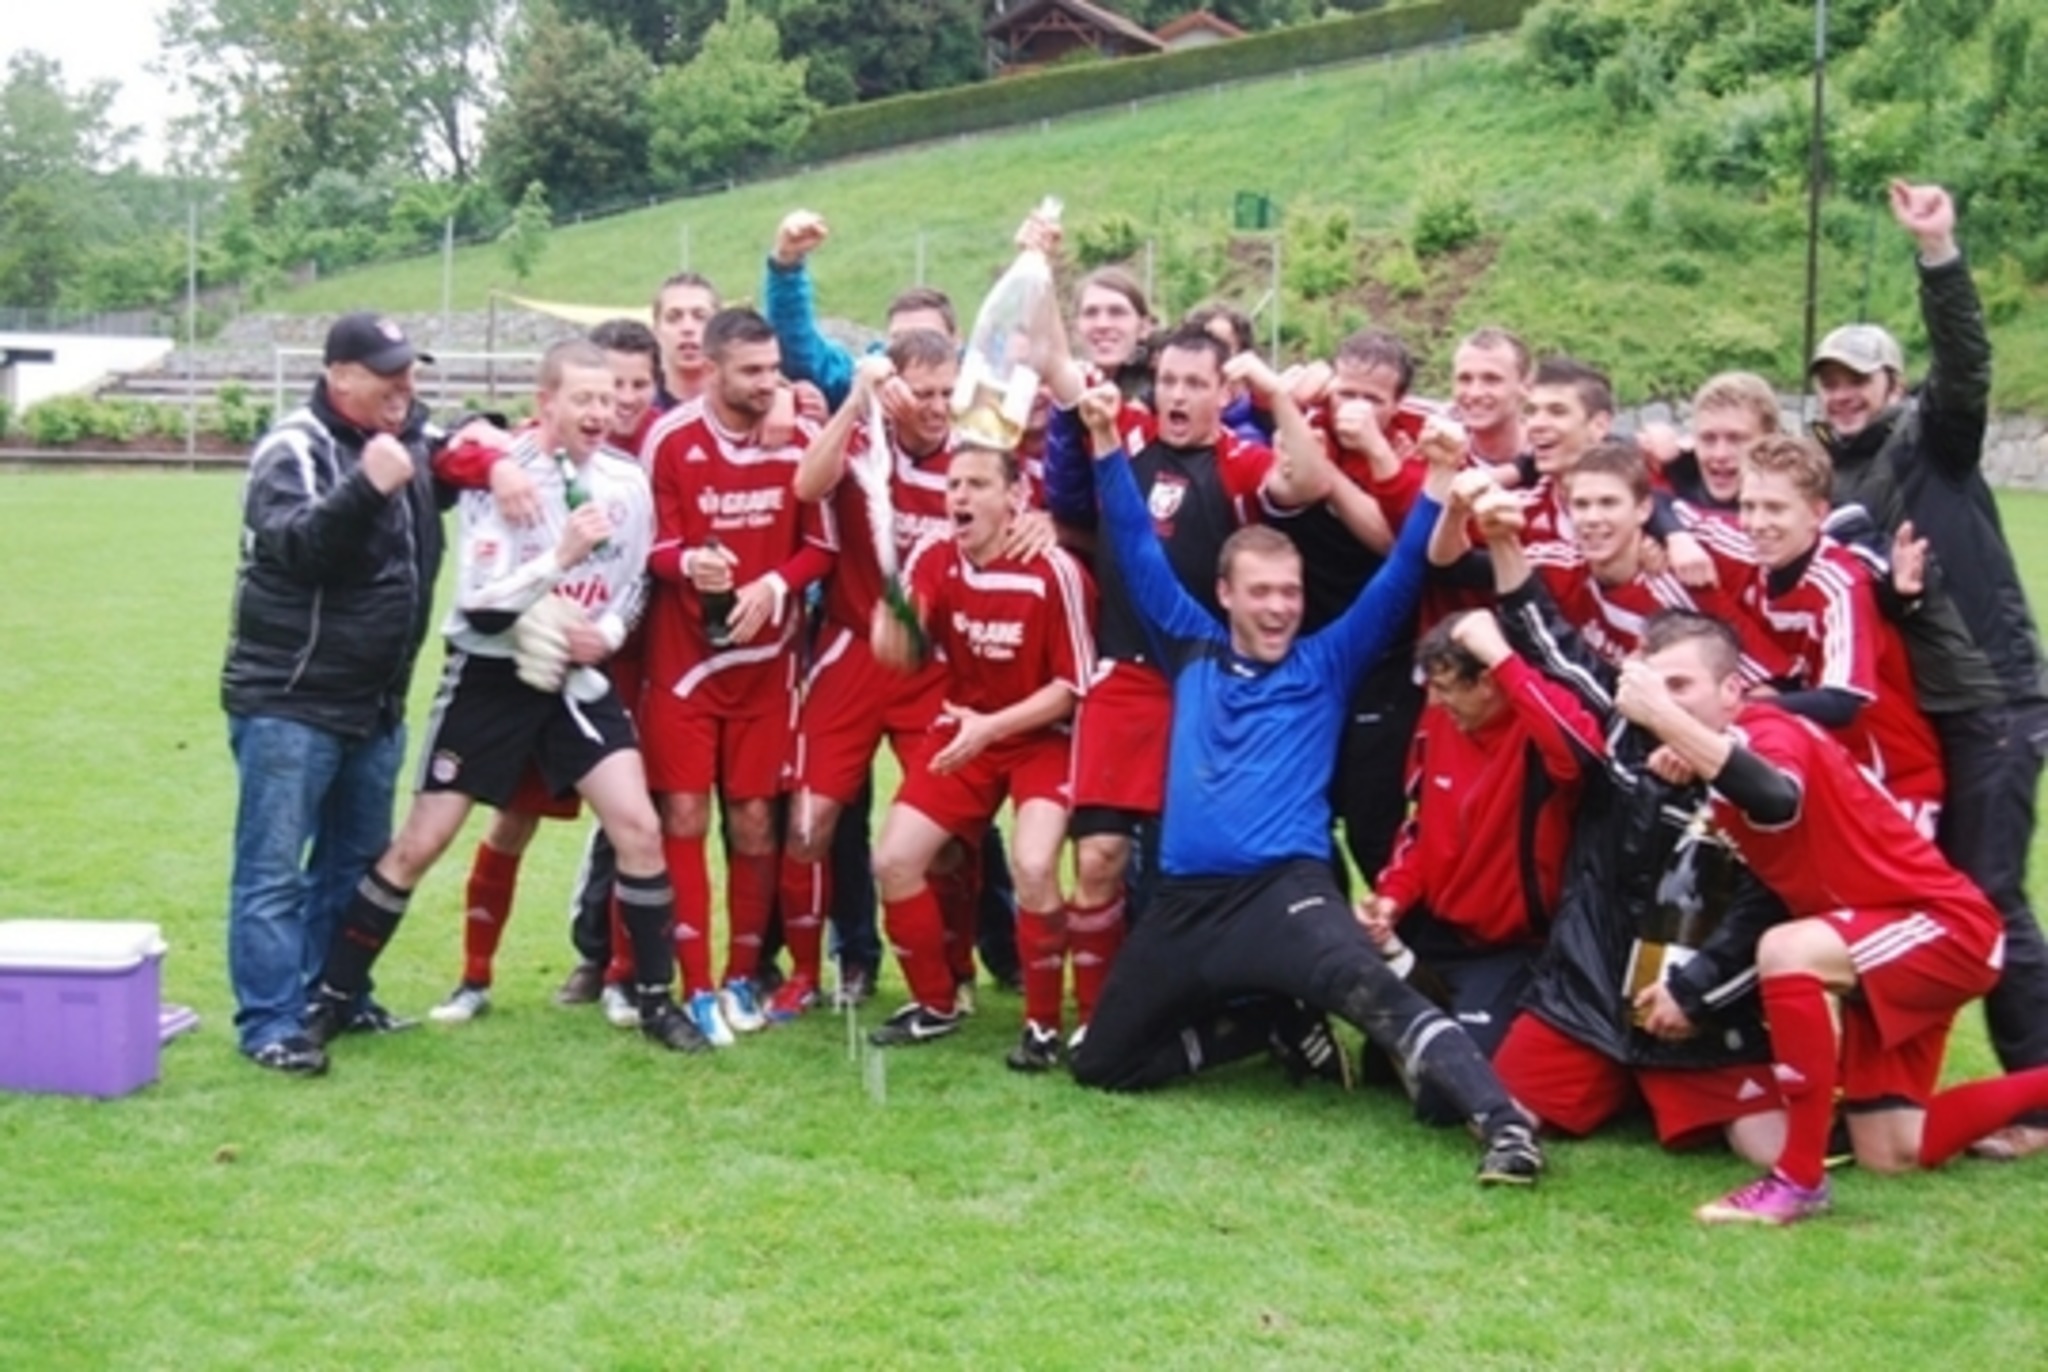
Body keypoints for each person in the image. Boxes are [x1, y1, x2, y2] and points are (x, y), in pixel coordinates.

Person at [1066, 382, 1544, 1185]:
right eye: (1262, 593)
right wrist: (1107, 437)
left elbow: (1396, 578)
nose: (1281, 607)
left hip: (1284, 891)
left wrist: (1433, 484)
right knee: (1103, 1065)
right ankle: (1259, 1033)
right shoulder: (1190, 645)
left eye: (1289, 593)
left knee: (1376, 998)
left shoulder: (1327, 660)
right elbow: (1134, 543)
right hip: (1186, 903)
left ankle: (1503, 1125)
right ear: (1225, 595)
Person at [303, 338, 707, 1055]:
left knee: (639, 829)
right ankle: (332, 997)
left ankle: (655, 1002)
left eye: (609, 398)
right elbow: (481, 606)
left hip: (572, 677)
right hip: (490, 675)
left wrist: (608, 631)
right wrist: (560, 560)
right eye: (582, 397)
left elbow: (640, 579)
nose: (601, 410)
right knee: (421, 843)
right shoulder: (505, 477)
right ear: (545, 404)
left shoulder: (625, 480)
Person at [1613, 611, 2048, 1224]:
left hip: (1946, 928)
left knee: (1789, 951)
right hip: (1874, 942)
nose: (1668, 699)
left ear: (1733, 690)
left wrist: (1663, 717)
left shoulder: (1770, 731)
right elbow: (1768, 891)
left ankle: (1798, 1181)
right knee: (1895, 1151)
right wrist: (1693, 988)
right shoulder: (1724, 765)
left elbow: (1776, 794)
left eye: (1681, 685)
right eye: (1658, 686)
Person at [1810, 180, 2048, 1160]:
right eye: (1826, 378)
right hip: (1915, 722)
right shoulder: (1830, 475)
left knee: (1986, 896)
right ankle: (1882, 1090)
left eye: (1857, 377)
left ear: (1892, 385)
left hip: (1989, 702)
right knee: (1938, 898)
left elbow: (1966, 361)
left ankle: (2034, 1101)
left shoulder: (1929, 444)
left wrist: (1937, 251)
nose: (1840, 391)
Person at [222, 312, 468, 1075]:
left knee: (354, 863)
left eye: (410, 370)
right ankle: (268, 1020)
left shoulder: (405, 445)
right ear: (339, 378)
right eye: (387, 372)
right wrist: (367, 488)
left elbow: (457, 458)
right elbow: (295, 546)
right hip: (290, 700)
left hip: (373, 702)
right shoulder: (293, 446)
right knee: (272, 869)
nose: (405, 384)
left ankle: (333, 998)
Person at [640, 307, 834, 1047]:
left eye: (773, 369)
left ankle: (741, 972)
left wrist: (774, 588)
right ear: (713, 370)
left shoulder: (800, 440)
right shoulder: (672, 440)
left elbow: (821, 548)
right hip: (685, 664)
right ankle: (693, 988)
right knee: (683, 816)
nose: (767, 382)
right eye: (751, 371)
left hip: (766, 665)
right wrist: (691, 563)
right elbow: (651, 546)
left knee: (755, 820)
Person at [865, 443, 1096, 1065]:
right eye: (952, 486)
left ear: (1014, 497)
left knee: (1032, 864)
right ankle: (936, 1004)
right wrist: (891, 625)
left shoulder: (1056, 570)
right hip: (967, 726)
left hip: (1040, 735)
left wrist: (992, 728)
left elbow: (1073, 690)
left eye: (976, 485)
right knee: (893, 860)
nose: (959, 497)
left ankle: (1043, 1026)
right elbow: (903, 647)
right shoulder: (935, 555)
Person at [1357, 609, 1599, 1123]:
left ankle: (1442, 1030)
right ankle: (1430, 1015)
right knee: (1376, 1063)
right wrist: (1393, 896)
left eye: (1448, 688)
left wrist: (1507, 660)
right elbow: (1420, 828)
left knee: (1445, 1099)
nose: (1437, 702)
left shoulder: (1536, 729)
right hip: (1440, 932)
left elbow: (1581, 753)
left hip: (1511, 947)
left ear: (1490, 682)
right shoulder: (1436, 725)